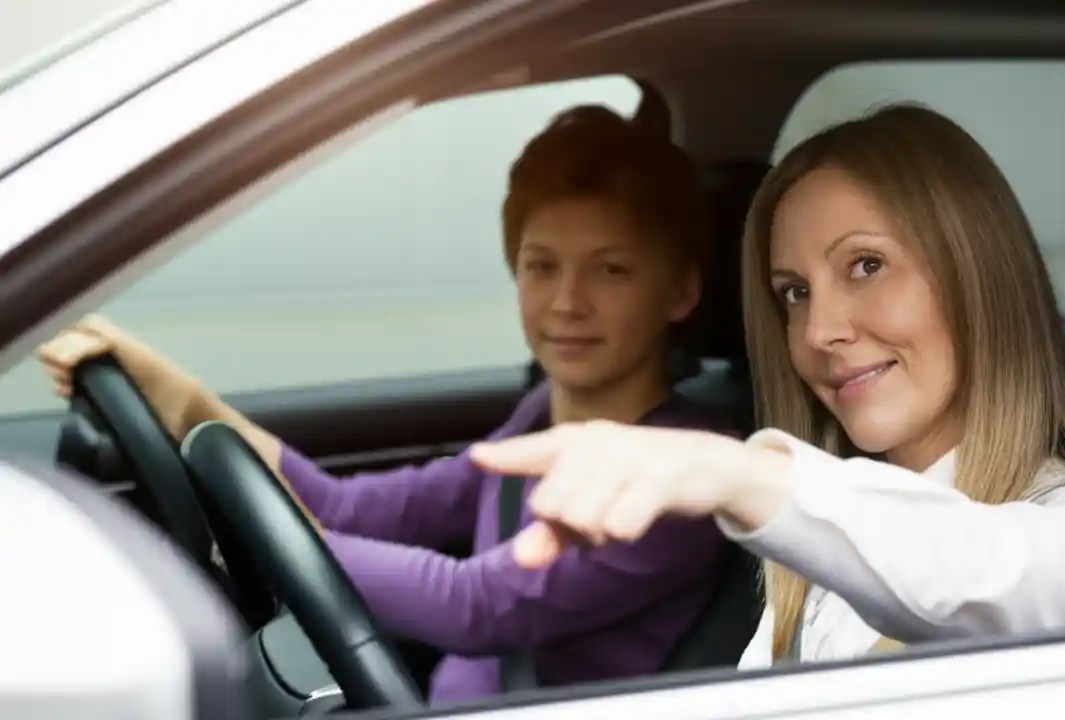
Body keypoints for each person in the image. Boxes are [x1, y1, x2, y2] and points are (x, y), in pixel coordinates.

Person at [39, 105, 734, 701]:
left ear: (680, 291)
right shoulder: (535, 422)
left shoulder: (678, 481)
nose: (565, 302)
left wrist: (248, 539)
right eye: (540, 265)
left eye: (611, 270)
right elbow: (348, 510)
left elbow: (474, 606)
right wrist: (177, 394)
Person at [469, 103, 1065, 668]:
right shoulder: (807, 582)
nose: (819, 331)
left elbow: (990, 579)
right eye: (795, 292)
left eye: (866, 265)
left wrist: (735, 473)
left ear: (978, 277)